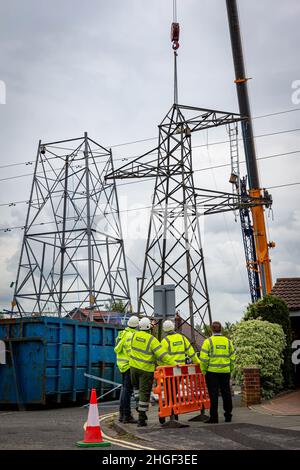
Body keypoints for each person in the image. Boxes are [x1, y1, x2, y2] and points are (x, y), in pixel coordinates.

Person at [130, 317, 177, 427]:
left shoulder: (134, 336)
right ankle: (141, 419)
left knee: (136, 390)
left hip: (133, 368)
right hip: (145, 370)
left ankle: (138, 407)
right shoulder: (152, 340)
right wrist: (175, 363)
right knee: (144, 394)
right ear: (148, 328)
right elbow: (163, 355)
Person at [199, 321, 235, 424]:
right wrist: (230, 369)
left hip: (212, 372)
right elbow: (232, 357)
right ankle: (228, 415)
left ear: (211, 329)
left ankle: (214, 417)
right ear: (221, 329)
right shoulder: (228, 342)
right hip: (225, 371)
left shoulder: (208, 342)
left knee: (213, 394)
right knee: (226, 393)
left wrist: (204, 371)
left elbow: (204, 359)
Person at [114, 315, 139, 423]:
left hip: (122, 365)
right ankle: (127, 415)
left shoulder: (122, 334)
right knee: (127, 391)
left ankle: (122, 414)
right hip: (129, 366)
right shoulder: (131, 336)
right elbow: (131, 353)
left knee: (125, 390)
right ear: (137, 326)